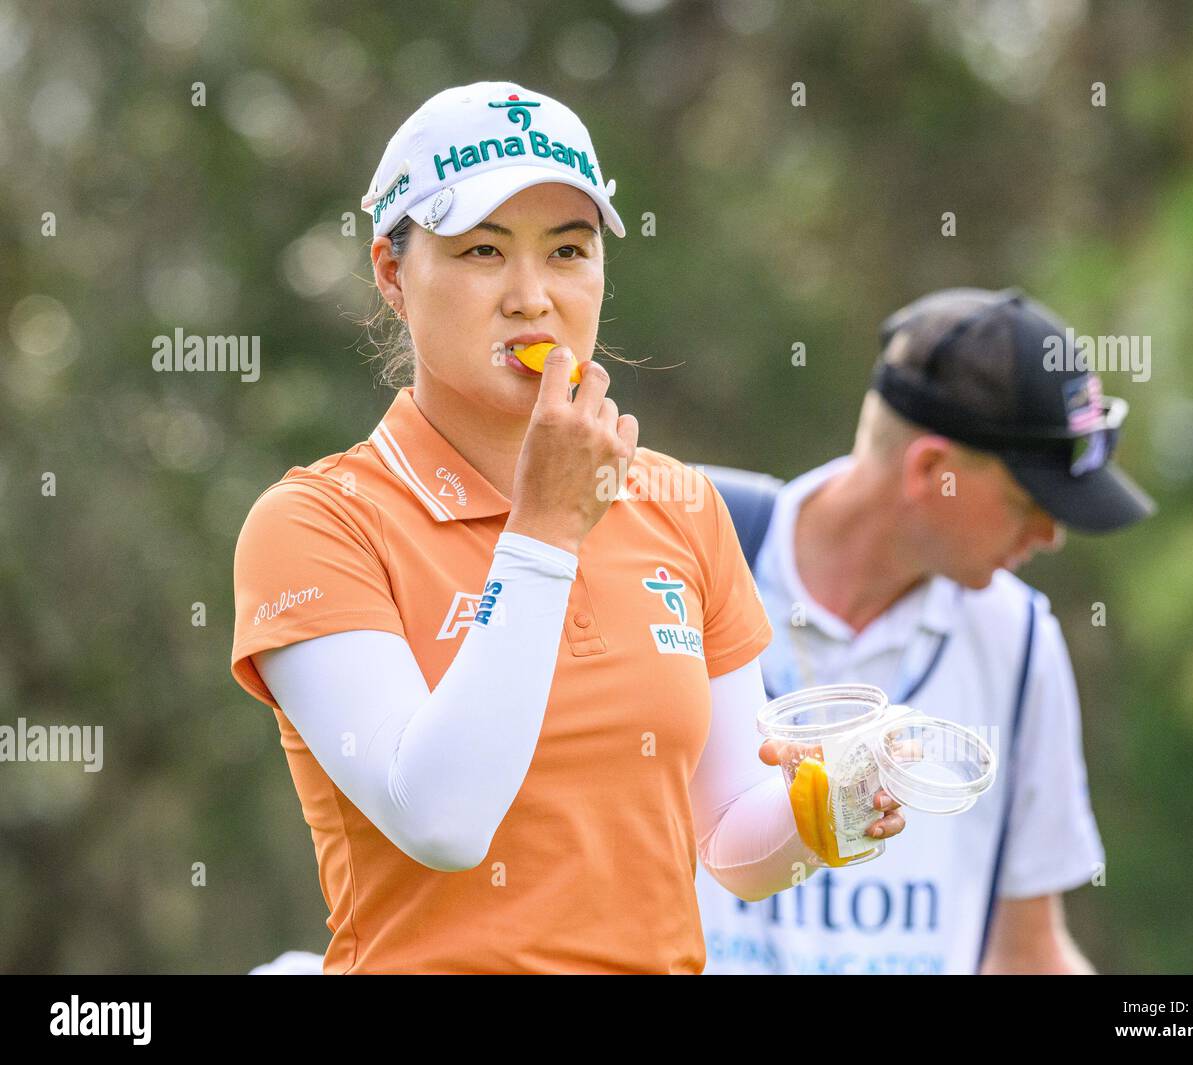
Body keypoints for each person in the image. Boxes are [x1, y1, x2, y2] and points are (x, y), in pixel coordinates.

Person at [230, 82, 905, 975]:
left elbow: (732, 843)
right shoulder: (316, 523)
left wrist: (839, 803)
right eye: (481, 250)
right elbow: (443, 819)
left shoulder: (680, 502)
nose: (531, 297)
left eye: (568, 251)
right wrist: (544, 531)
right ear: (393, 275)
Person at [694, 287, 1156, 975]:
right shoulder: (684, 557)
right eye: (1028, 502)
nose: (1051, 535)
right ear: (931, 472)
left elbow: (1027, 952)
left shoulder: (1020, 640)